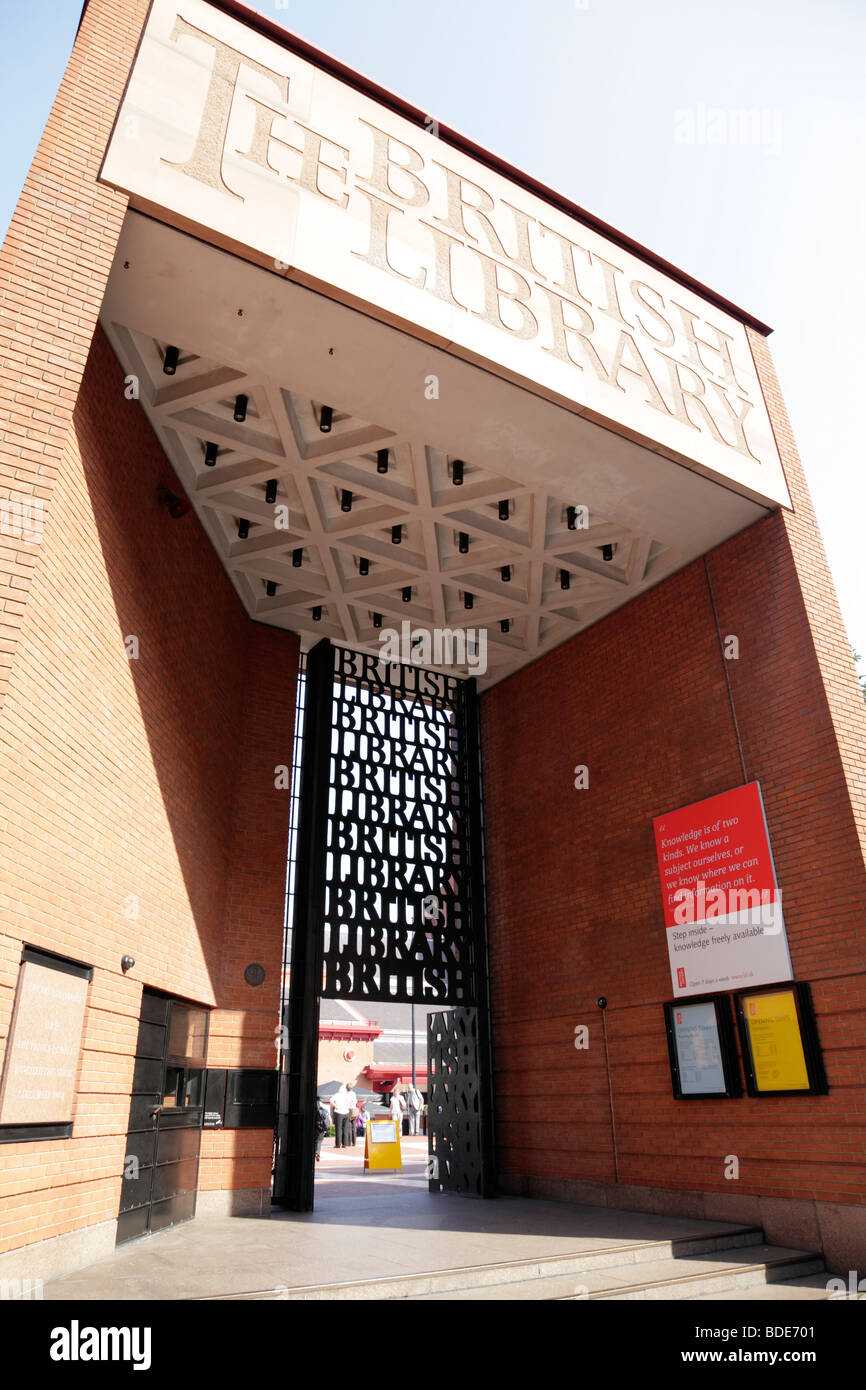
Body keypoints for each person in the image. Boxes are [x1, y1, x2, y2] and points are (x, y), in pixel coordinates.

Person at [331, 1082, 353, 1148]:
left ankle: (338, 1144)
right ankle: (345, 1144)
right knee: (345, 1128)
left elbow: (331, 1100)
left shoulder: (337, 1095)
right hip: (346, 1112)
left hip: (338, 1112)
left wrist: (335, 1105)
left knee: (338, 1128)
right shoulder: (347, 1095)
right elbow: (352, 1101)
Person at [314, 1096, 330, 1161]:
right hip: (321, 1127)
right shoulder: (323, 1107)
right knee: (319, 1141)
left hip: (315, 1126)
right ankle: (317, 1153)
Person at [346, 1082, 359, 1146]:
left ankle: (349, 1142)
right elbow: (356, 1101)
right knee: (354, 1127)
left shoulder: (346, 1094)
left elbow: (347, 1102)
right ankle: (354, 1142)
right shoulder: (354, 1094)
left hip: (349, 1110)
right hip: (354, 1109)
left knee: (349, 1126)